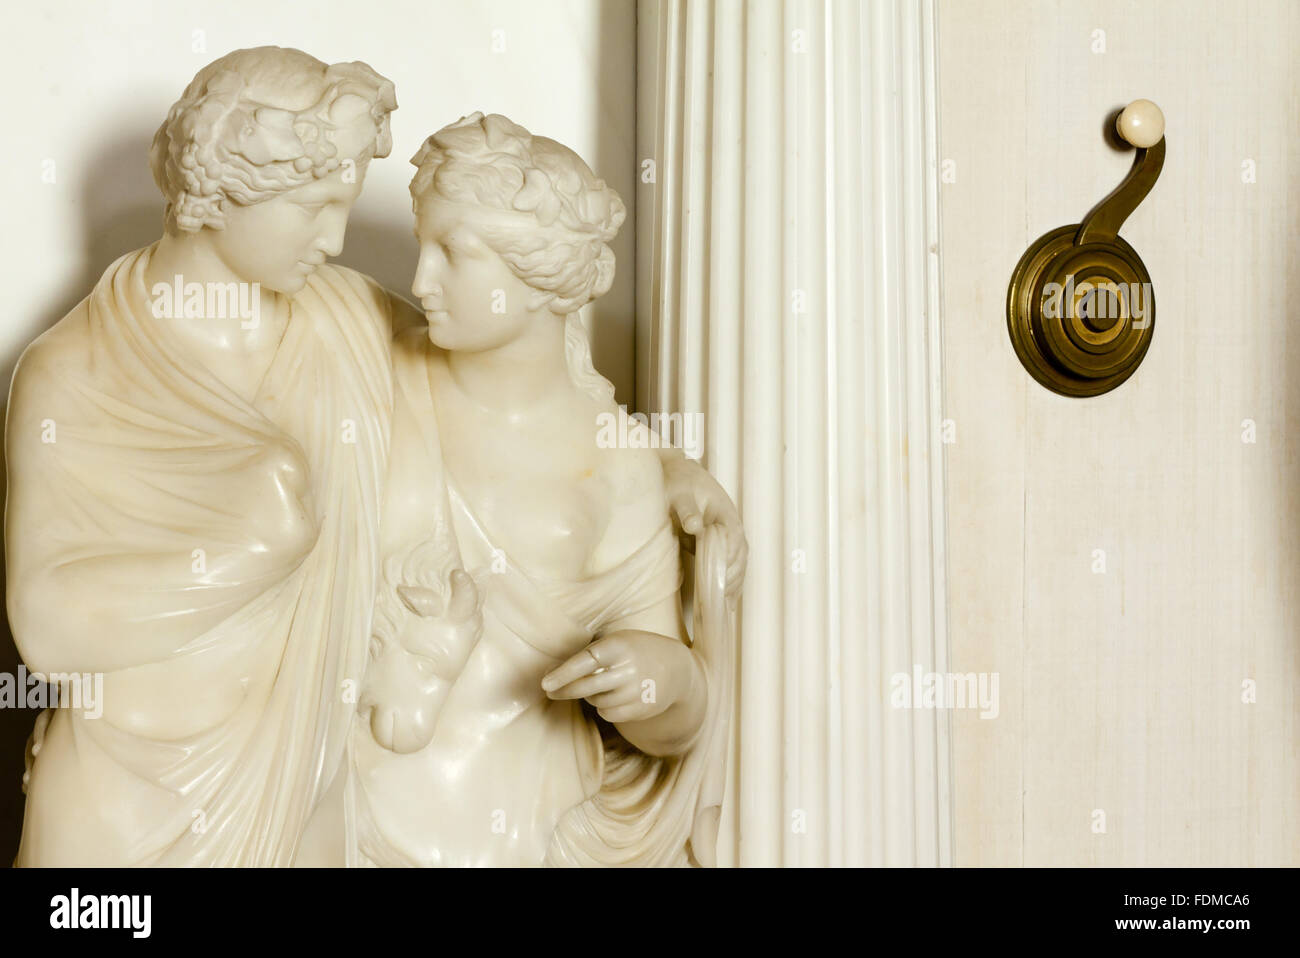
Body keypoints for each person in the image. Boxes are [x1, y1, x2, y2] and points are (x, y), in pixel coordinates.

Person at [311, 113, 741, 867]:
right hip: (340, 813)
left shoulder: (616, 466)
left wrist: (662, 680)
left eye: (455, 254)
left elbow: (676, 727)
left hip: (521, 835)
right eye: (423, 246)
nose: (420, 281)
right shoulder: (364, 365)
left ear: (541, 275)